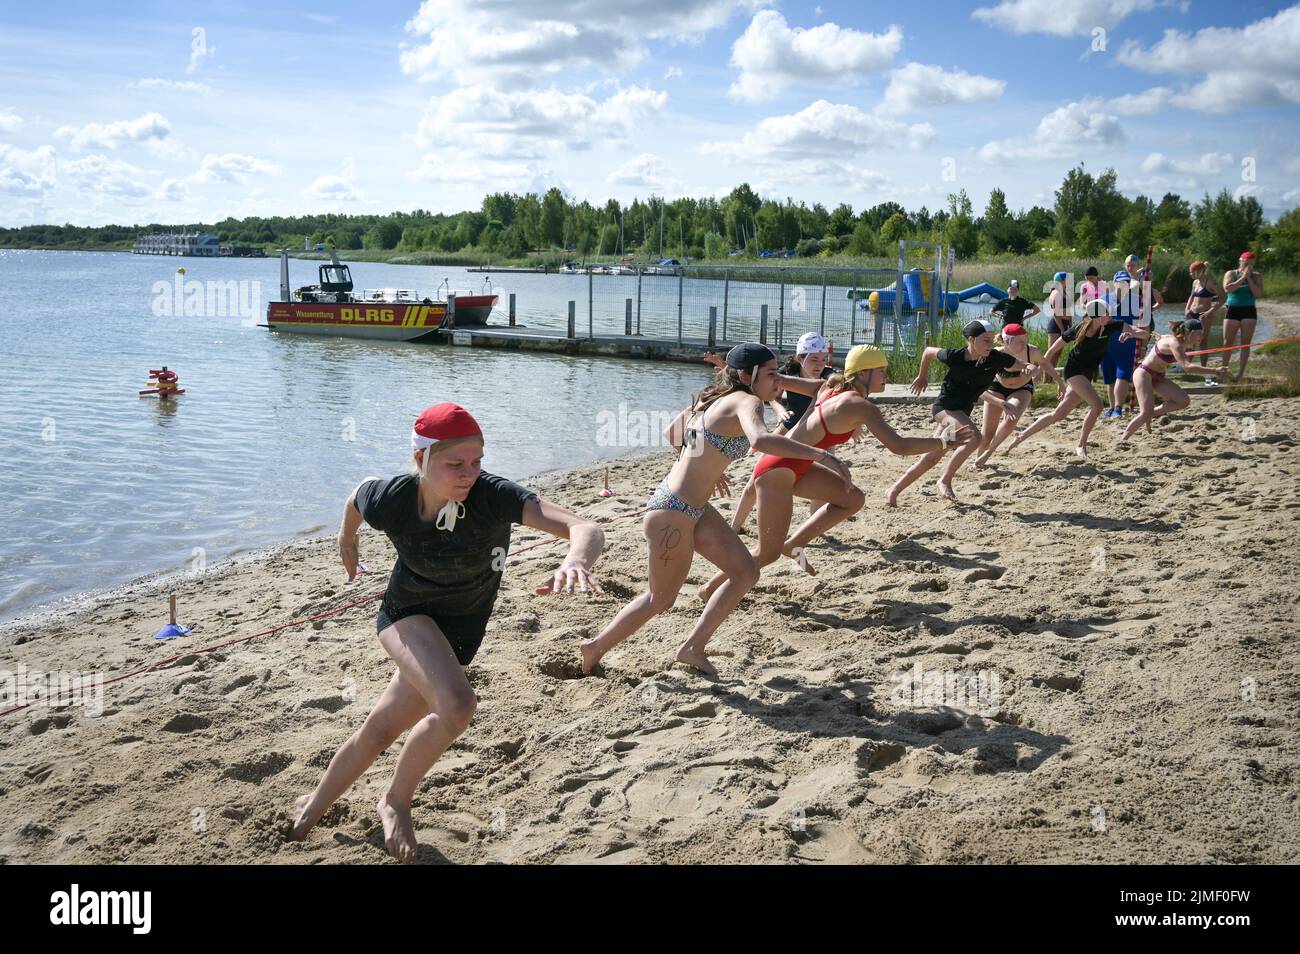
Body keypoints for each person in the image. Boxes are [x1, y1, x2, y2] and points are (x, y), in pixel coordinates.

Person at [289, 403, 606, 862]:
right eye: (455, 464)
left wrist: (576, 559)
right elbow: (358, 494)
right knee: (457, 706)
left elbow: (585, 526)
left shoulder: (492, 495)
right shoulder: (393, 499)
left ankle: (313, 804)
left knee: (383, 725)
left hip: (461, 633)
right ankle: (395, 801)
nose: (469, 474)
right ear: (420, 460)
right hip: (406, 614)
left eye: (476, 462)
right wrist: (346, 539)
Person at [579, 343, 852, 678]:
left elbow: (674, 434)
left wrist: (706, 461)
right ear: (745, 376)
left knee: (745, 573)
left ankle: (693, 648)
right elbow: (760, 441)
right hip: (673, 511)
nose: (778, 380)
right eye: (770, 374)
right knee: (659, 599)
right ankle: (594, 647)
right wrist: (823, 456)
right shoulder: (746, 400)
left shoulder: (711, 398)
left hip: (692, 507)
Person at [697, 345, 972, 601]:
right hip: (777, 470)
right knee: (765, 554)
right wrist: (944, 442)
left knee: (852, 498)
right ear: (863, 374)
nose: (887, 377)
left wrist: (729, 368)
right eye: (882, 371)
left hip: (796, 465)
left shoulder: (828, 387)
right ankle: (709, 589)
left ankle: (795, 543)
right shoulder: (857, 404)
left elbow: (777, 379)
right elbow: (899, 446)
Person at [887, 319, 1033, 505]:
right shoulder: (955, 356)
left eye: (991, 339)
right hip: (944, 408)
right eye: (985, 340)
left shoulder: (995, 358)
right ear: (971, 340)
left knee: (932, 457)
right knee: (975, 438)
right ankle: (945, 480)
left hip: (961, 413)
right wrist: (922, 376)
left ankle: (893, 490)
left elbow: (1018, 364)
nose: (990, 344)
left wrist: (1029, 367)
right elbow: (927, 352)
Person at [1006, 300, 1149, 458]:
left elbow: (1144, 333)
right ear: (1096, 317)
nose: (1110, 315)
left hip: (1087, 373)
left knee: (1058, 414)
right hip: (1073, 371)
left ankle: (1021, 436)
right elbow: (1053, 349)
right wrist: (1040, 368)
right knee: (1097, 406)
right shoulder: (1079, 328)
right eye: (1106, 313)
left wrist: (1132, 334)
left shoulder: (1113, 325)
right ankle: (1081, 445)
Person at [723, 332, 834, 532]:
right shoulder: (785, 373)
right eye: (814, 359)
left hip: (819, 436)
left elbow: (844, 400)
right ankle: (735, 526)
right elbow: (771, 396)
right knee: (755, 481)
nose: (819, 365)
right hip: (788, 430)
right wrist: (780, 409)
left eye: (823, 359)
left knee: (824, 487)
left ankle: (813, 530)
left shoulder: (828, 377)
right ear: (801, 358)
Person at [1120, 319, 1231, 442]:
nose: (1202, 336)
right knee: (1145, 412)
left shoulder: (1178, 341)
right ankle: (1123, 440)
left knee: (1183, 401)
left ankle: (1151, 413)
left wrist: (1136, 334)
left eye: (1202, 333)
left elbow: (1154, 335)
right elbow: (1187, 367)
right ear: (1189, 332)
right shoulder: (1176, 344)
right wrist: (1215, 371)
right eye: (1199, 333)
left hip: (1158, 376)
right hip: (1144, 373)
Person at [972, 323, 1061, 468]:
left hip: (1022, 388)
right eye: (1020, 341)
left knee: (1011, 417)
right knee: (988, 432)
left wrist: (1059, 382)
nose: (1024, 343)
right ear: (1007, 341)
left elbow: (1044, 364)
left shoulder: (1031, 351)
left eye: (1025, 340)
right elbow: (978, 373)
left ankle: (988, 454)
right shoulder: (996, 353)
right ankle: (978, 461)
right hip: (998, 387)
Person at [1100, 255, 1148, 419]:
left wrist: (1142, 345)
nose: (1123, 285)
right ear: (1114, 283)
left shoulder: (1136, 300)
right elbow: (1093, 321)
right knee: (1109, 378)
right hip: (1106, 343)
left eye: (1126, 282)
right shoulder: (1104, 299)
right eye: (1120, 282)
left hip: (1125, 342)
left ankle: (1118, 409)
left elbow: (1143, 323)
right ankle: (1112, 407)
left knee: (1122, 376)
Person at [1222, 251, 1263, 381]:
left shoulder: (1256, 276)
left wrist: (1249, 278)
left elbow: (1257, 293)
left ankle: (1240, 373)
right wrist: (1242, 277)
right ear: (1240, 262)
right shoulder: (1231, 273)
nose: (1248, 266)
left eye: (1251, 264)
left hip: (1248, 310)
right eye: (1246, 263)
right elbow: (1228, 289)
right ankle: (1224, 371)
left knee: (1245, 344)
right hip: (1233, 309)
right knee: (1227, 342)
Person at [1184, 261, 1223, 384]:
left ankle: (1204, 367)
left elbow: (1223, 297)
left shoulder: (1210, 282)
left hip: (1204, 316)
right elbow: (1191, 296)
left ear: (1199, 271)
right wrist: (1187, 309)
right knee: (1188, 340)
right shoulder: (1195, 282)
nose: (1190, 275)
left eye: (1192, 272)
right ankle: (1187, 366)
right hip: (1192, 314)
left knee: (1202, 341)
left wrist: (1210, 311)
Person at [1045, 271, 1073, 369]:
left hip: (1064, 325)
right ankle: (1046, 379)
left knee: (1057, 354)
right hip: (1056, 325)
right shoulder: (1056, 293)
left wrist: (1070, 326)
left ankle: (1050, 378)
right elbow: (1056, 314)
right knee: (1051, 353)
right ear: (1062, 280)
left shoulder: (1065, 292)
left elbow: (1069, 312)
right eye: (1067, 279)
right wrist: (1062, 329)